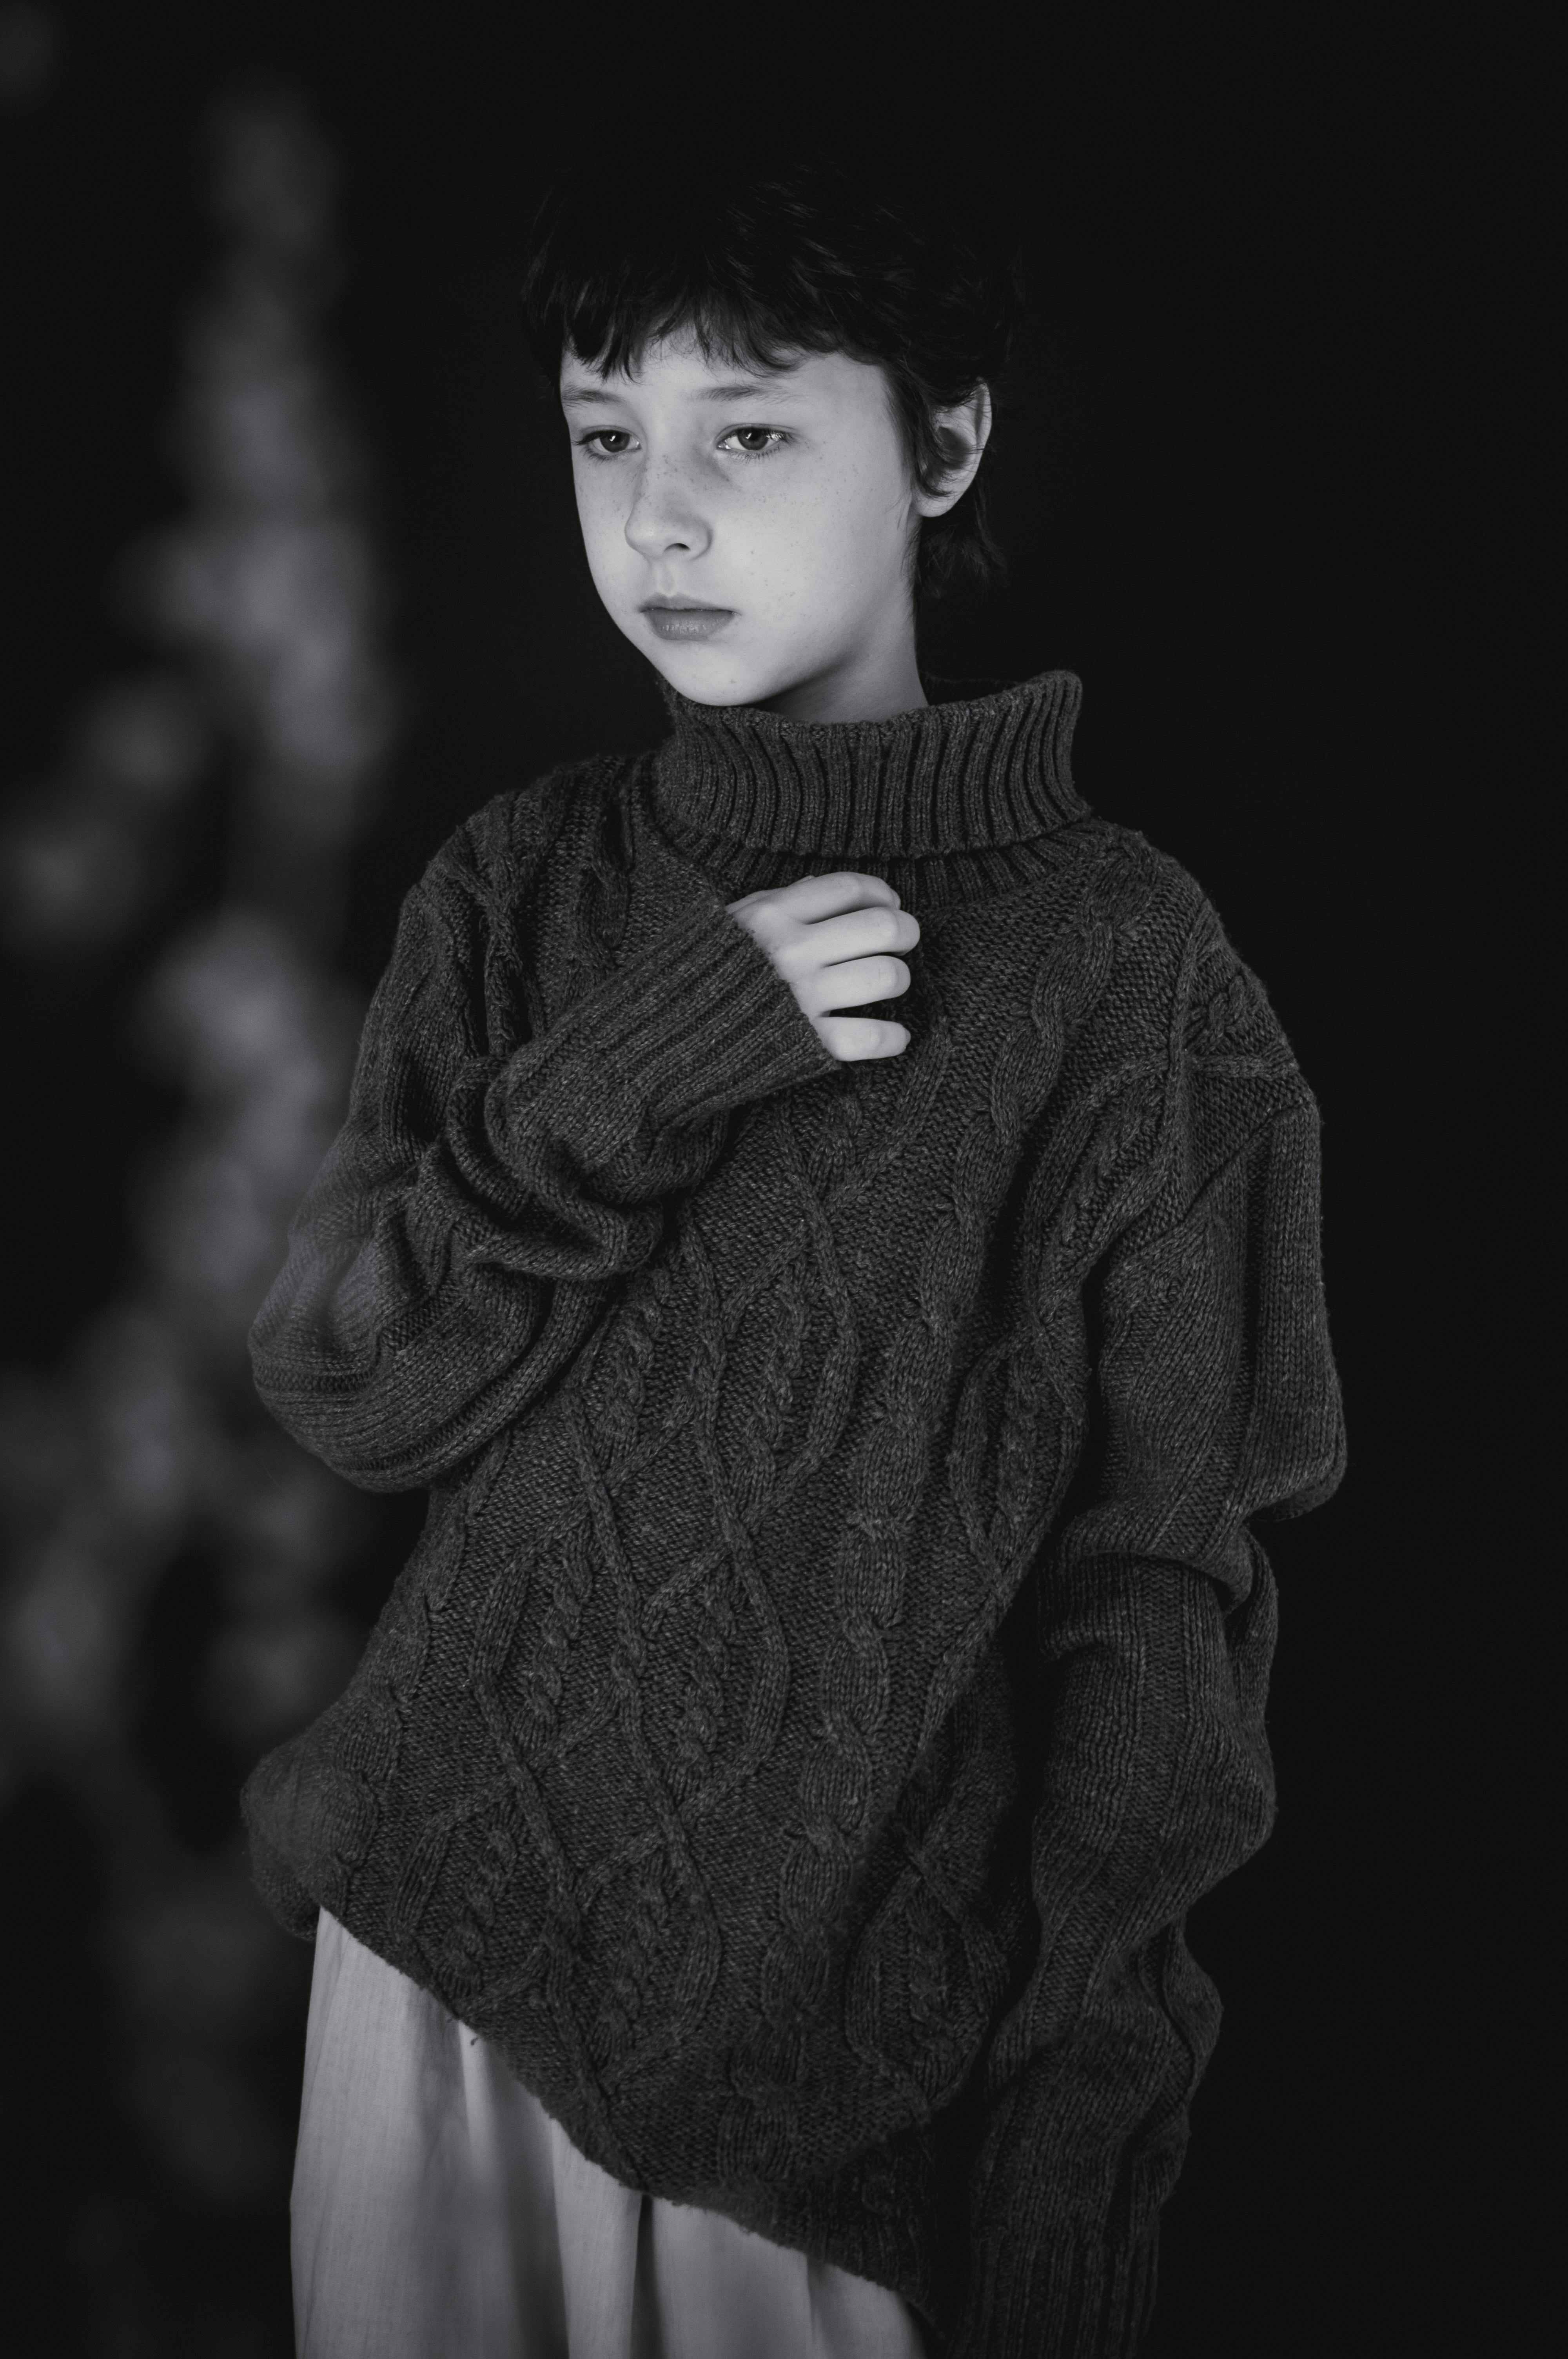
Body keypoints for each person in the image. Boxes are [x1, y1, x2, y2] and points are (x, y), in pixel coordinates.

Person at [241, 132, 1346, 2359]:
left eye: (747, 431)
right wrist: (653, 1057)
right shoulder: (524, 886)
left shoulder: (1134, 989)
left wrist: (1072, 2187)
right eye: (603, 434)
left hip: (837, 2101)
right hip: (432, 1984)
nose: (659, 516)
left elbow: (1160, 1629)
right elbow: (350, 1384)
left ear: (944, 442)